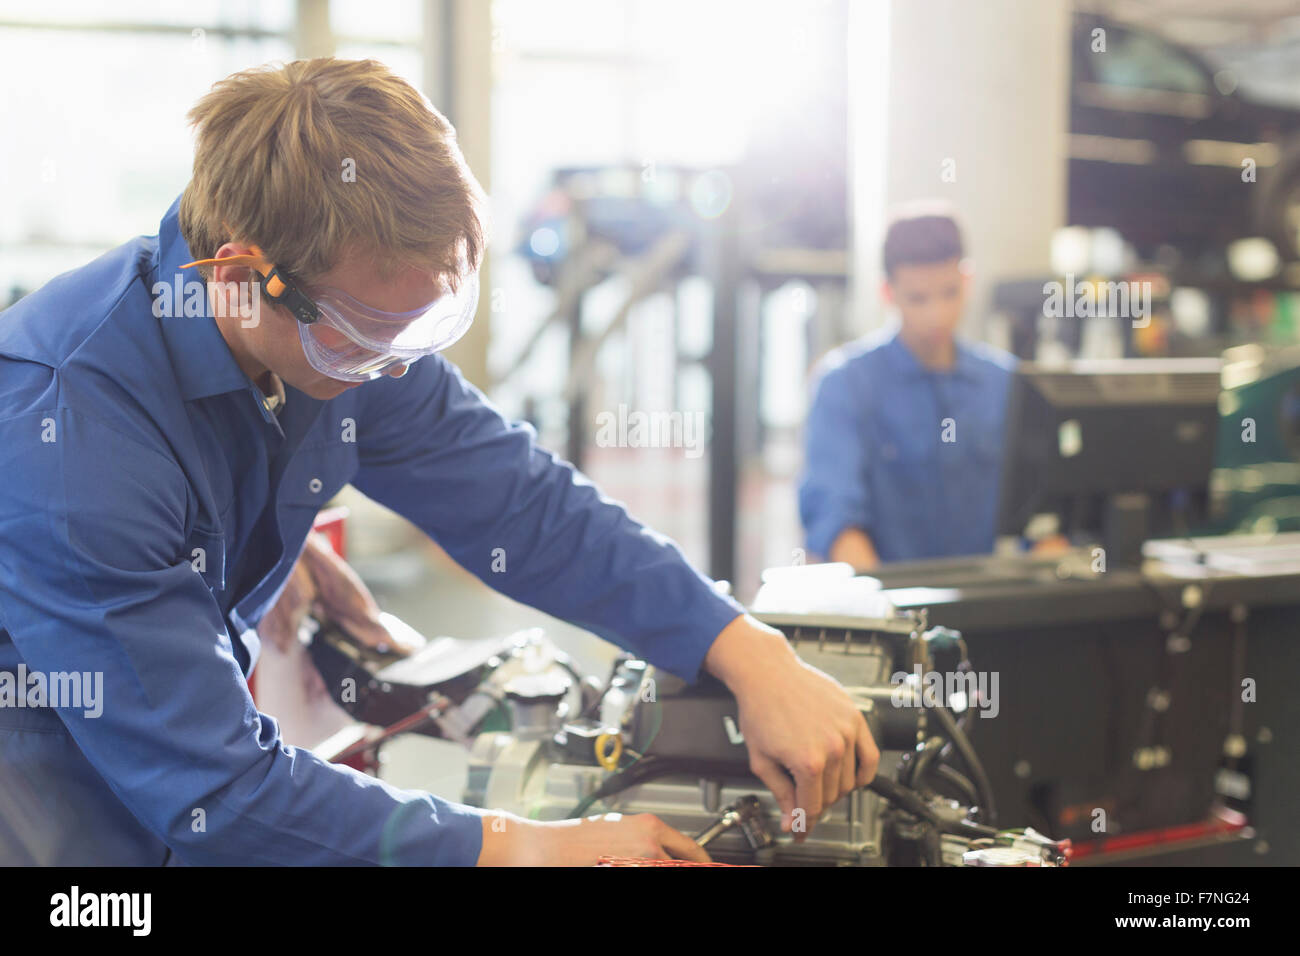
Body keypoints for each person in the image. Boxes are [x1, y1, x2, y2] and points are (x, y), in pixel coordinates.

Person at [0, 58, 877, 866]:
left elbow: (520, 505)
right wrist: (524, 848)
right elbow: (218, 792)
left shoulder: (333, 331)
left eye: (428, 329)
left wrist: (745, 650)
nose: (398, 367)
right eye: (376, 335)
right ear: (237, 273)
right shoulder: (69, 433)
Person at [799, 206, 1015, 569]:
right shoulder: (844, 386)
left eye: (949, 293)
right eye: (918, 298)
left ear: (968, 280)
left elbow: (1038, 514)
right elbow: (836, 519)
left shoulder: (1005, 384)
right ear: (888, 292)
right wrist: (886, 607)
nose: (938, 314)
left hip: (990, 606)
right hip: (888, 610)